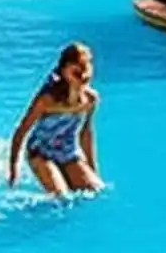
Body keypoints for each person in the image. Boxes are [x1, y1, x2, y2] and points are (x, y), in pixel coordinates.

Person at [7, 42, 103, 197]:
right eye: (77, 71)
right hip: (40, 151)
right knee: (61, 197)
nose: (83, 76)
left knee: (95, 190)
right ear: (64, 71)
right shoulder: (48, 100)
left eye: (86, 69)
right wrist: (13, 168)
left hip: (68, 151)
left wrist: (92, 168)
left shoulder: (90, 100)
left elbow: (86, 134)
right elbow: (22, 130)